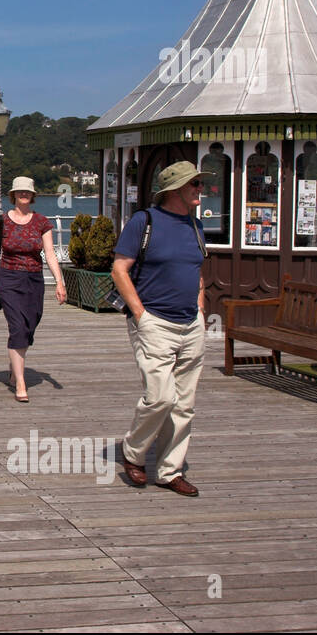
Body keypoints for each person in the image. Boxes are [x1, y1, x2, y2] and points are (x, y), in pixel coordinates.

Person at [111, 161, 209, 498]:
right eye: (194, 183)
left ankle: (170, 471)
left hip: (191, 324)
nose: (201, 188)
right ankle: (134, 452)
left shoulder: (196, 226)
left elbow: (197, 272)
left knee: (183, 405)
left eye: (199, 182)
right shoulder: (144, 222)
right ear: (175, 190)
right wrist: (141, 315)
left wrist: (200, 310)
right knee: (160, 397)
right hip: (155, 323)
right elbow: (119, 269)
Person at [0, 177, 66, 402]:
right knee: (18, 326)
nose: (24, 194)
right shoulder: (1, 222)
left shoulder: (41, 222)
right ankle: (20, 383)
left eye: (27, 192)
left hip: (34, 280)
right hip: (9, 279)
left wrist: (59, 282)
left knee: (30, 325)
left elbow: (49, 253)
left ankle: (14, 367)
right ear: (13, 195)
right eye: (20, 191)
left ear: (32, 195)